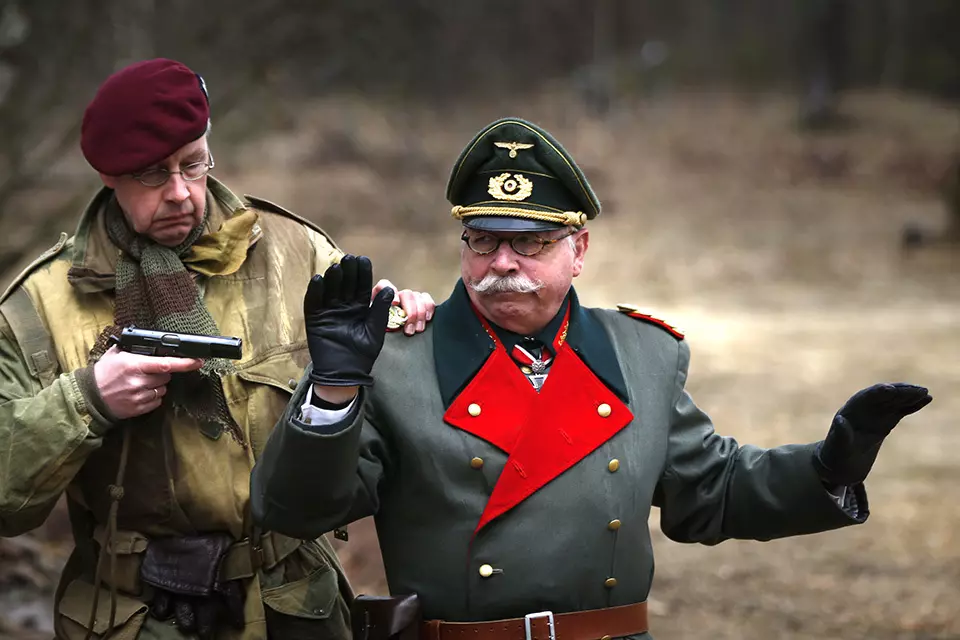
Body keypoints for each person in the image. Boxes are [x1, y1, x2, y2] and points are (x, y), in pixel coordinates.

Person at [250, 117, 933, 640]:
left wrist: (829, 466)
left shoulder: (643, 354)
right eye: (482, 240)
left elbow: (712, 493)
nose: (502, 262)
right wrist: (334, 389)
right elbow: (297, 511)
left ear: (579, 249)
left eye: (531, 242)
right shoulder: (396, 361)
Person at [0, 58, 435, 640]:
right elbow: (8, 500)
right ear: (110, 176)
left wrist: (405, 316)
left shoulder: (292, 252)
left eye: (193, 164)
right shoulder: (41, 305)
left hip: (292, 605)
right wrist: (88, 399)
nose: (181, 192)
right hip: (132, 613)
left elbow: (372, 365)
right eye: (154, 174)